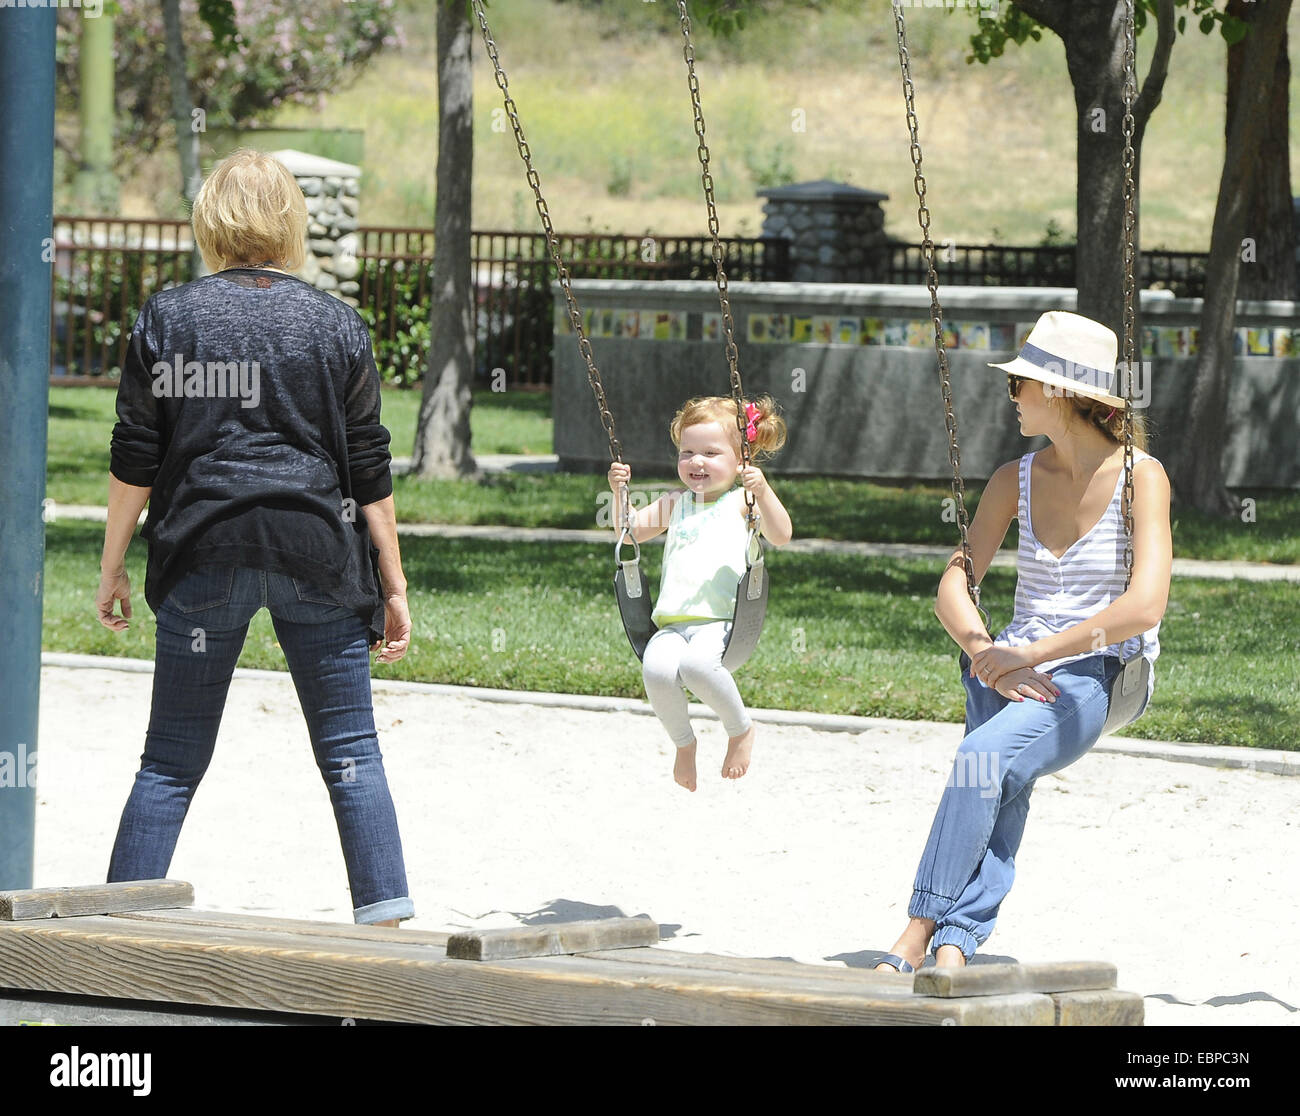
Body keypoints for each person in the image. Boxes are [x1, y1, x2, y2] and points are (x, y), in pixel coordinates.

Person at [96, 149, 415, 926]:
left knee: (169, 761)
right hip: (317, 550)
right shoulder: (337, 325)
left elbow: (136, 455)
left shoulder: (167, 319)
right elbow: (368, 465)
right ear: (291, 221)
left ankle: (114, 934)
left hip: (202, 547)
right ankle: (387, 928)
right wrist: (394, 583)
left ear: (210, 220)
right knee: (352, 753)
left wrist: (112, 567)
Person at [874, 310, 1171, 972]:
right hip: (1004, 664)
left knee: (982, 757)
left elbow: (1145, 605)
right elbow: (954, 585)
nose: (1012, 396)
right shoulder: (1016, 478)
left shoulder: (1140, 477)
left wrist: (1030, 656)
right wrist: (989, 655)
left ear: (1060, 391)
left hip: (1096, 671)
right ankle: (958, 941)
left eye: (1020, 384)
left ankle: (919, 929)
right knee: (998, 782)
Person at [607, 395, 792, 791]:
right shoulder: (676, 502)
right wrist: (619, 492)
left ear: (741, 459)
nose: (697, 462)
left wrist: (762, 492)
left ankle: (740, 730)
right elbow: (629, 532)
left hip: (720, 623)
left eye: (710, 452)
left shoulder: (740, 502)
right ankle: (684, 744)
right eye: (687, 452)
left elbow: (781, 535)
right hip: (672, 624)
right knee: (656, 670)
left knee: (696, 667)